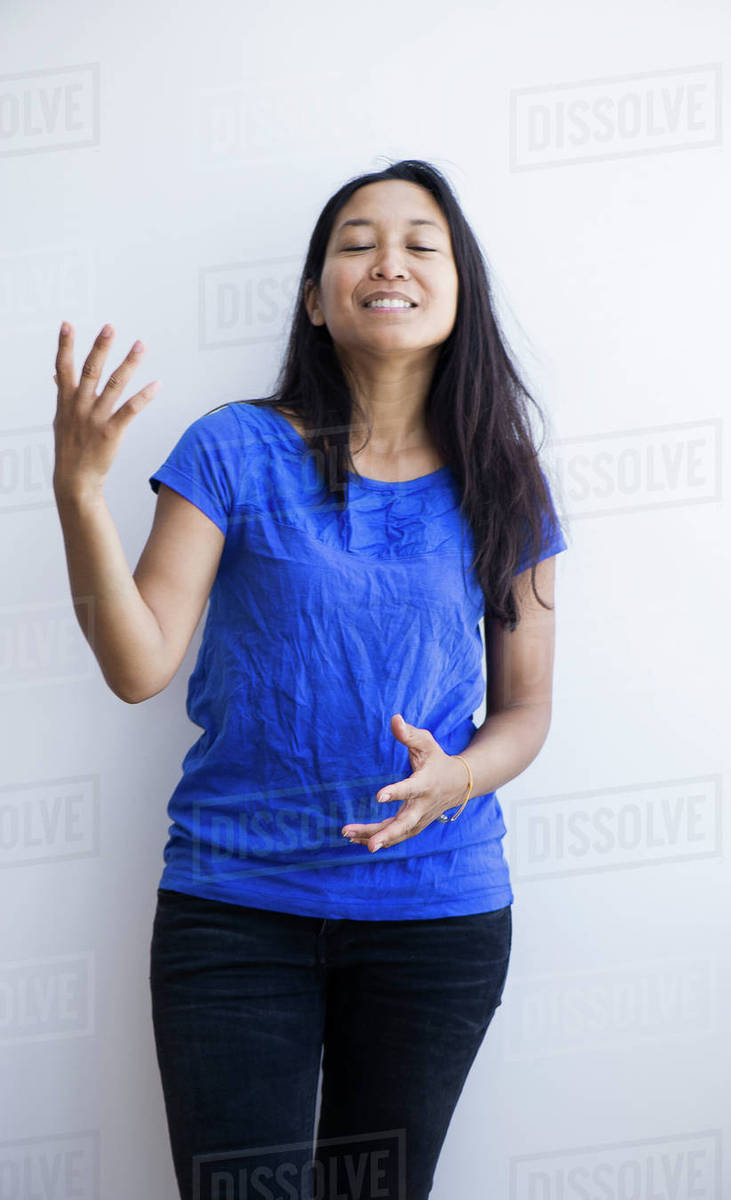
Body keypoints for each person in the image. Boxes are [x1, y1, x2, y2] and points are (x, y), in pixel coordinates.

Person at [52, 159, 568, 1200]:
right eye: (357, 244)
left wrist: (458, 777)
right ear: (315, 299)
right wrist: (80, 490)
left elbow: (526, 709)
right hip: (234, 911)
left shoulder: (503, 477)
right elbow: (137, 665)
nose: (389, 263)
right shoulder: (232, 449)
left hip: (437, 916)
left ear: (459, 289)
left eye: (421, 245)